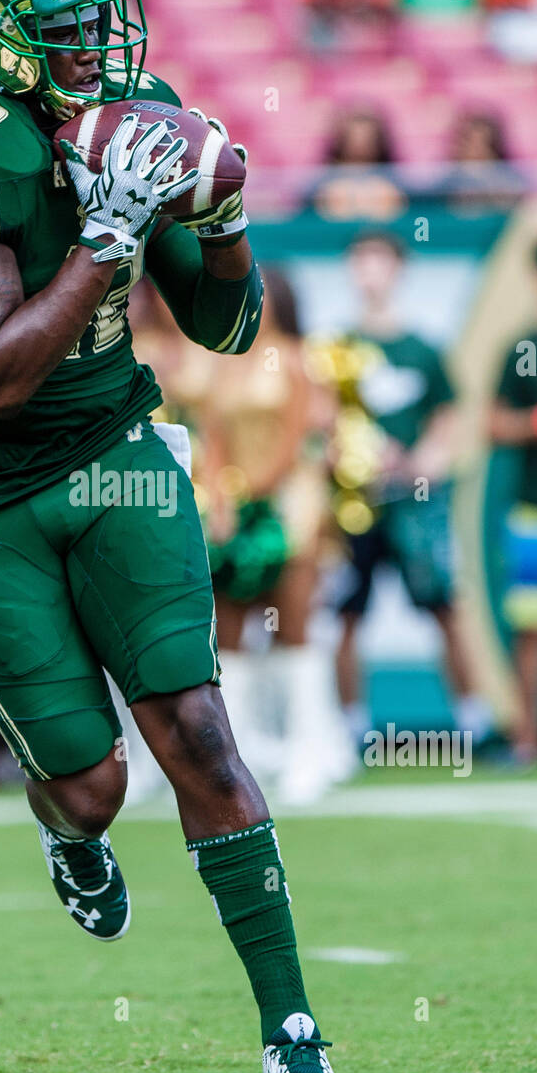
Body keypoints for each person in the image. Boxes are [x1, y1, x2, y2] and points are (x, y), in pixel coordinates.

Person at [0, 0, 348, 1073]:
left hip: (116, 448)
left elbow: (228, 329)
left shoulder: (130, 117)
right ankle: (68, 835)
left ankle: (294, 1036)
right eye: (64, 23)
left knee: (194, 725)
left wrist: (223, 221)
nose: (96, 41)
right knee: (88, 785)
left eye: (98, 14)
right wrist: (106, 232)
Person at [198, 269, 354, 800]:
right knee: (231, 629)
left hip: (289, 512)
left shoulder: (297, 359)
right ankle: (240, 752)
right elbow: (213, 435)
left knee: (294, 626)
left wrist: (251, 491)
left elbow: (296, 440)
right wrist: (220, 494)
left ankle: (312, 748)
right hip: (235, 511)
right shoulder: (225, 360)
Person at [331, 231, 490, 748]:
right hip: (358, 507)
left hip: (416, 508)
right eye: (361, 262)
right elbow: (324, 423)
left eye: (380, 261)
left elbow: (448, 420)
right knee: (347, 614)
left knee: (444, 606)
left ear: (399, 269)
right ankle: (349, 727)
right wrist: (352, 459)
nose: (370, 272)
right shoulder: (336, 349)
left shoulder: (423, 349)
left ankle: (474, 719)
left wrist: (424, 460)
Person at [489, 239, 537, 764]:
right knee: (533, 627)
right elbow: (492, 423)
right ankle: (528, 738)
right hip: (536, 509)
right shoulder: (522, 349)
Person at [308, 108, 408, 221]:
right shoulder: (323, 182)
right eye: (354, 136)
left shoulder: (394, 182)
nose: (360, 143)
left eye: (367, 137)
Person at [437, 111, 526, 215]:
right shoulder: (449, 180)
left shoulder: (510, 180)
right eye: (469, 140)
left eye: (480, 142)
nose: (473, 147)